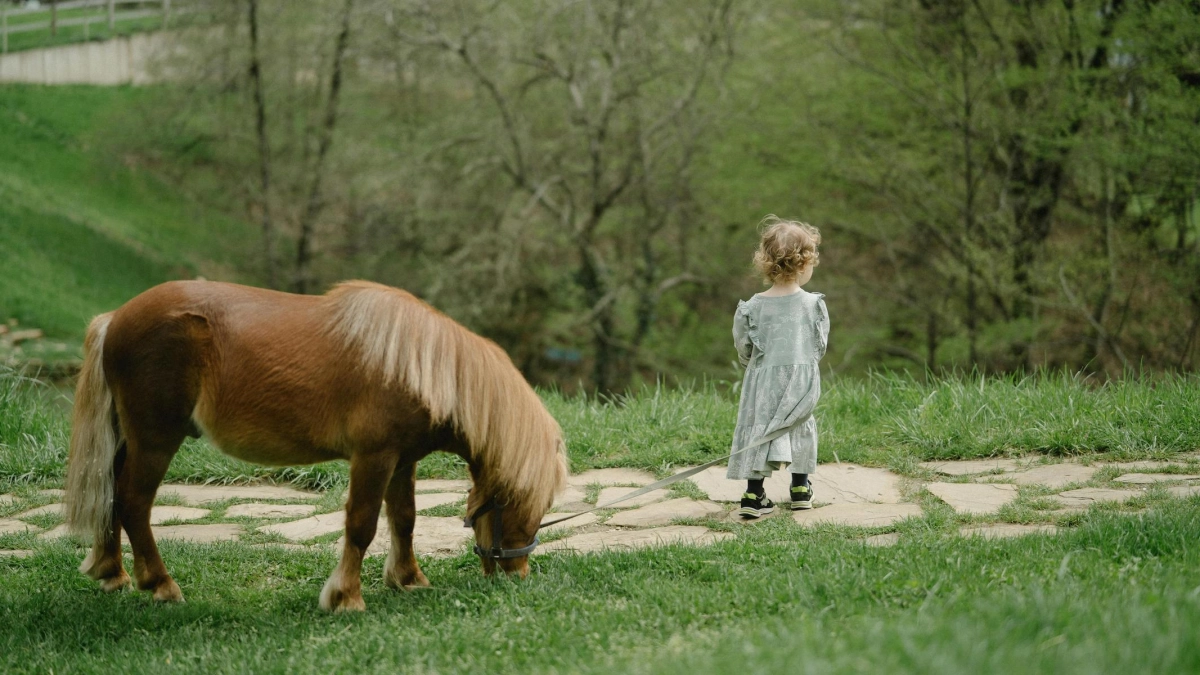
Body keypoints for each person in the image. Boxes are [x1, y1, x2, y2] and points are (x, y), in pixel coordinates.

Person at [728, 216, 829, 518]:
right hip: (800, 380)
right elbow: (819, 346)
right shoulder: (813, 304)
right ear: (803, 263)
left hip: (762, 382)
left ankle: (753, 494)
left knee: (760, 430)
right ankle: (800, 488)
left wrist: (754, 367)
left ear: (766, 262)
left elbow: (744, 347)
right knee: (798, 427)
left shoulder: (752, 306)